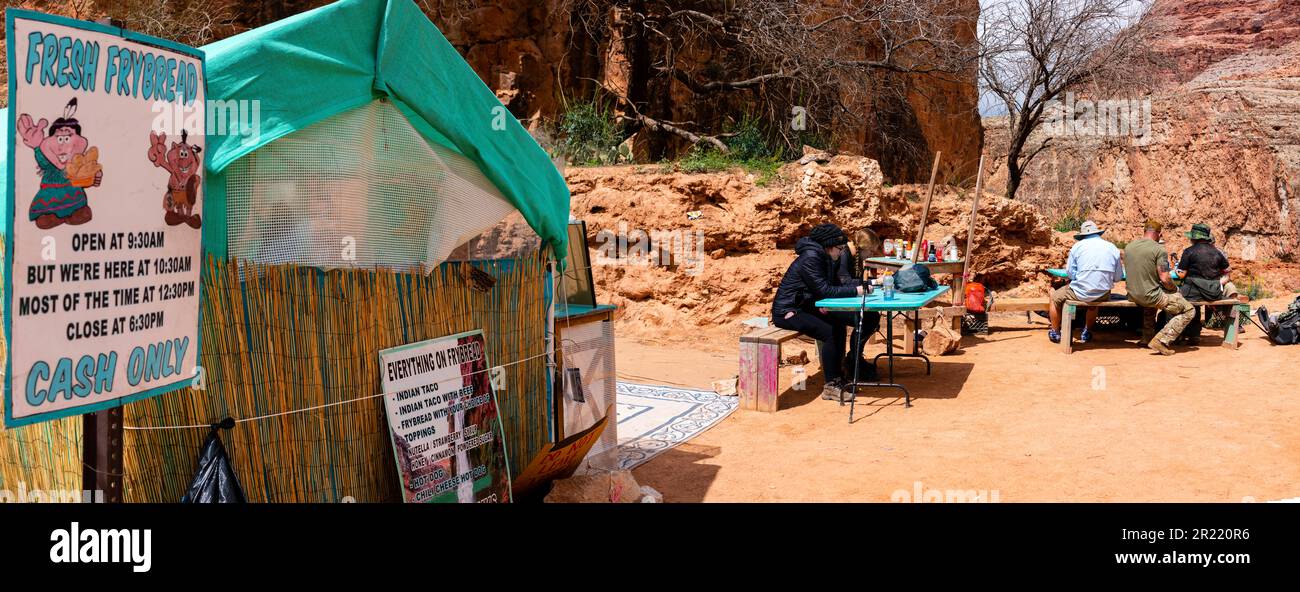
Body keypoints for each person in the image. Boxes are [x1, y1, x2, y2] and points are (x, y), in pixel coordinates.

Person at [773, 223, 880, 401]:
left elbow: (835, 284)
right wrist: (857, 291)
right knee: (829, 332)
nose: (841, 251)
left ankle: (837, 377)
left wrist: (866, 285)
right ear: (829, 246)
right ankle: (831, 385)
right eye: (839, 248)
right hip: (789, 310)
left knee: (837, 327)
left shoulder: (824, 257)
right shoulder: (811, 258)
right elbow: (825, 290)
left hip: (805, 305)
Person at [1124, 220, 1195, 355]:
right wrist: (1174, 289)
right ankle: (1162, 340)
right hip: (1150, 296)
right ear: (1159, 234)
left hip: (1132, 294)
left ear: (1144, 231)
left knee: (1151, 300)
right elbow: (1164, 277)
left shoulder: (1129, 247)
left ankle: (1147, 338)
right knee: (1189, 310)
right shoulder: (1159, 249)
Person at [1048, 220, 1124, 344]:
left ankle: (1055, 332)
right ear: (1097, 233)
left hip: (1080, 292)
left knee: (1055, 297)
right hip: (1103, 293)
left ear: (1082, 235)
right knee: (1093, 303)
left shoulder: (1077, 247)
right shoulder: (1112, 247)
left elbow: (1071, 274)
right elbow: (1117, 278)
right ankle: (1087, 331)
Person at [1176, 223, 1242, 345]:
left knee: (1181, 301)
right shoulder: (1217, 253)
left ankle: (1191, 335)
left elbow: (1181, 275)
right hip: (1213, 293)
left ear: (1194, 237)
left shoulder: (1189, 251)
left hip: (1192, 293)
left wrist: (1175, 271)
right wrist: (1219, 283)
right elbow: (1228, 272)